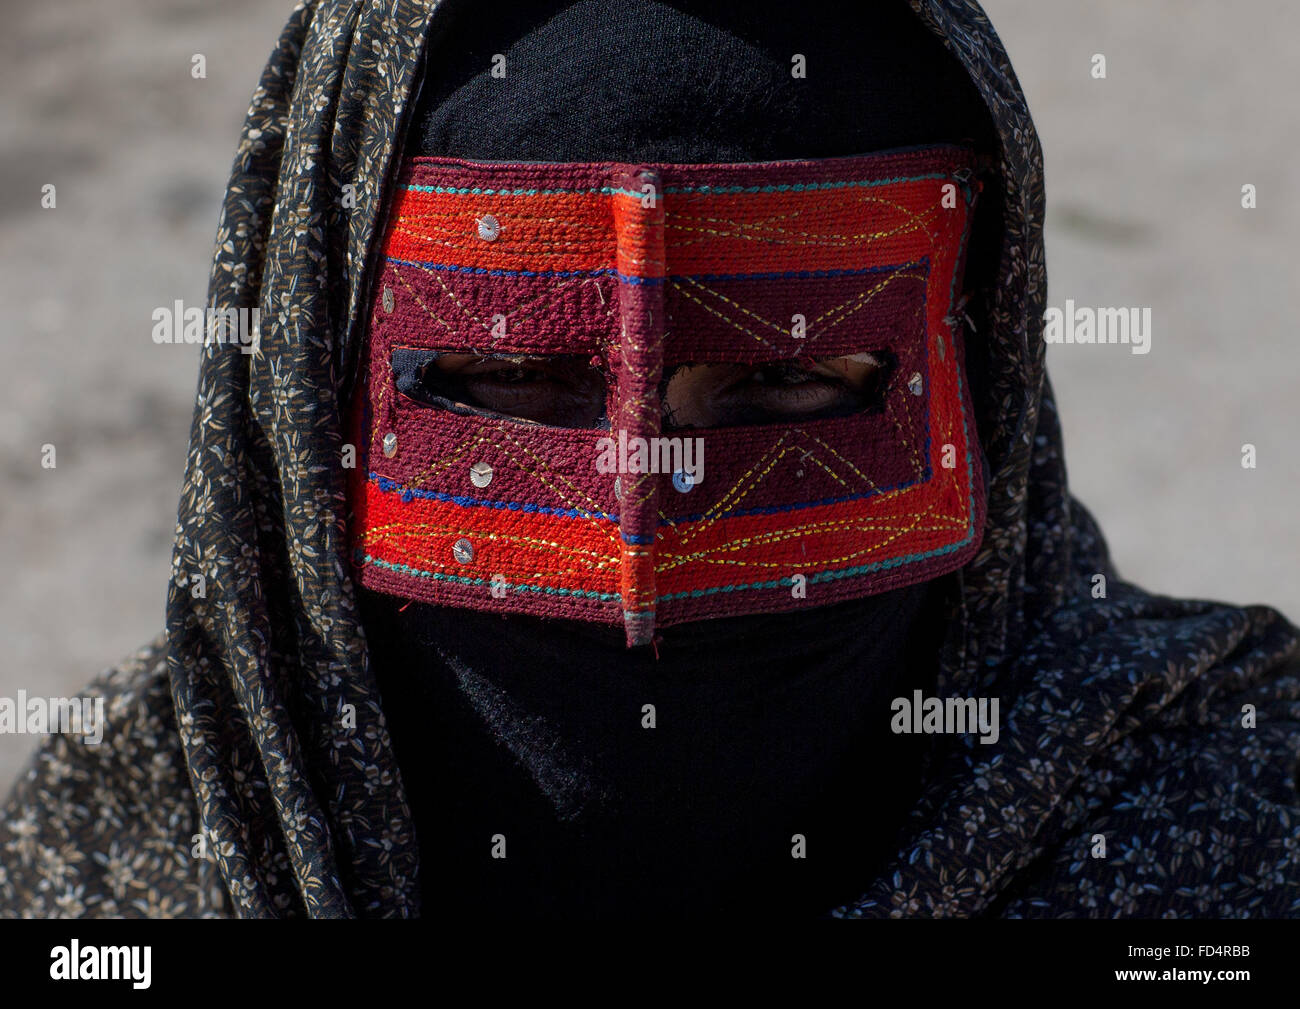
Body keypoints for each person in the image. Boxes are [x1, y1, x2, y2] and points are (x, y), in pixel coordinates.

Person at [2, 0, 1297, 920]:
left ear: (980, 375)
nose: (641, 529)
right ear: (310, 379)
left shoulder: (1223, 809)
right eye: (512, 379)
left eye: (788, 379)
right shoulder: (132, 842)